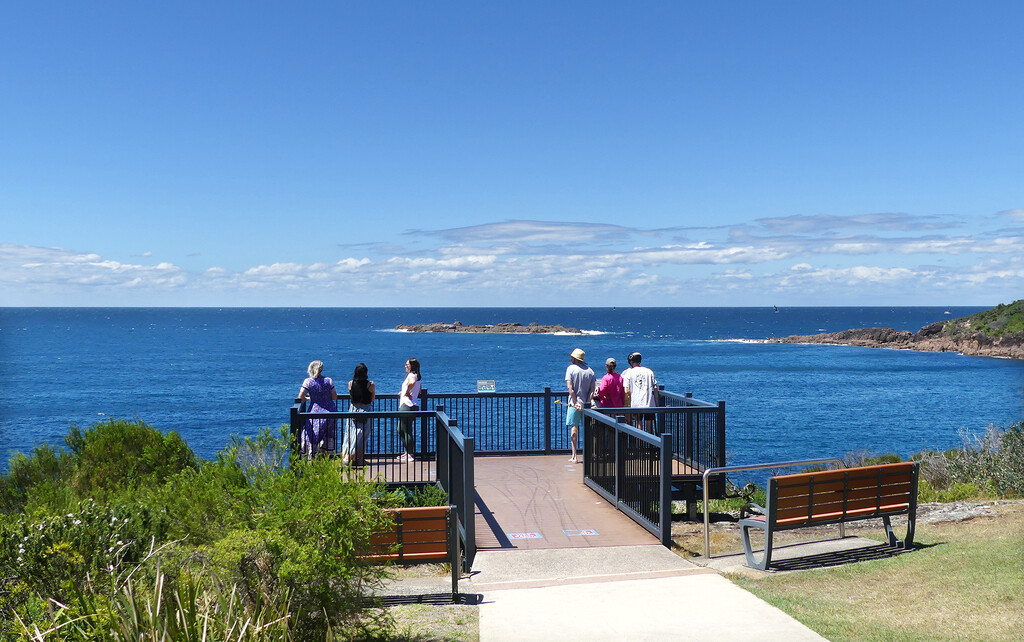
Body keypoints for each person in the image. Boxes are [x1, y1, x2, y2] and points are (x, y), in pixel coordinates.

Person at [297, 360, 337, 458]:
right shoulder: (328, 380)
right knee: (327, 435)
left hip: (314, 412)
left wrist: (309, 398)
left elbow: (300, 396)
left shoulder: (308, 381)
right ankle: (326, 456)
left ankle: (311, 454)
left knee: (312, 434)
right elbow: (334, 397)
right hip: (330, 413)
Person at [564, 348, 596, 464]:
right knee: (588, 430)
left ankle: (574, 456)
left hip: (574, 404)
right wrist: (586, 402)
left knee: (574, 428)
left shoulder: (571, 369)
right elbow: (592, 390)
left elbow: (570, 388)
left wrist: (575, 402)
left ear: (574, 358)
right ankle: (590, 455)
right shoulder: (590, 371)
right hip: (586, 405)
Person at [341, 362, 375, 466]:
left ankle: (348, 457)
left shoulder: (350, 383)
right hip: (365, 410)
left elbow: (352, 396)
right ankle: (359, 459)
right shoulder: (370, 384)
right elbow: (372, 398)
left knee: (350, 434)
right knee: (362, 436)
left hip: (353, 410)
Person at [623, 351, 659, 432]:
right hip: (649, 403)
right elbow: (655, 387)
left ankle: (640, 444)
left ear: (631, 362)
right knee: (650, 426)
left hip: (636, 404)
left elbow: (627, 390)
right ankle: (651, 443)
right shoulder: (649, 371)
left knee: (639, 426)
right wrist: (656, 401)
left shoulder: (628, 373)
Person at [397, 358, 421, 462]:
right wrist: (403, 392)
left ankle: (410, 454)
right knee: (402, 429)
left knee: (405, 430)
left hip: (407, 406)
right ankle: (408, 452)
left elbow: (411, 383)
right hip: (414, 405)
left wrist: (406, 392)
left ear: (412, 366)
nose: (405, 366)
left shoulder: (411, 376)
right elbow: (419, 390)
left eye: (407, 364)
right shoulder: (418, 376)